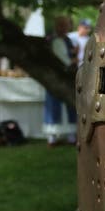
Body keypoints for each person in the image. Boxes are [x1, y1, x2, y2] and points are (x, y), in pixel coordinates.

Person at [44, 15, 78, 145]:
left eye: (66, 25)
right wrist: (72, 60)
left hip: (66, 77)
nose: (64, 28)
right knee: (54, 106)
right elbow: (62, 60)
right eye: (61, 25)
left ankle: (70, 135)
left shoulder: (67, 40)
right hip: (56, 78)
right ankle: (52, 136)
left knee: (68, 105)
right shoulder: (54, 40)